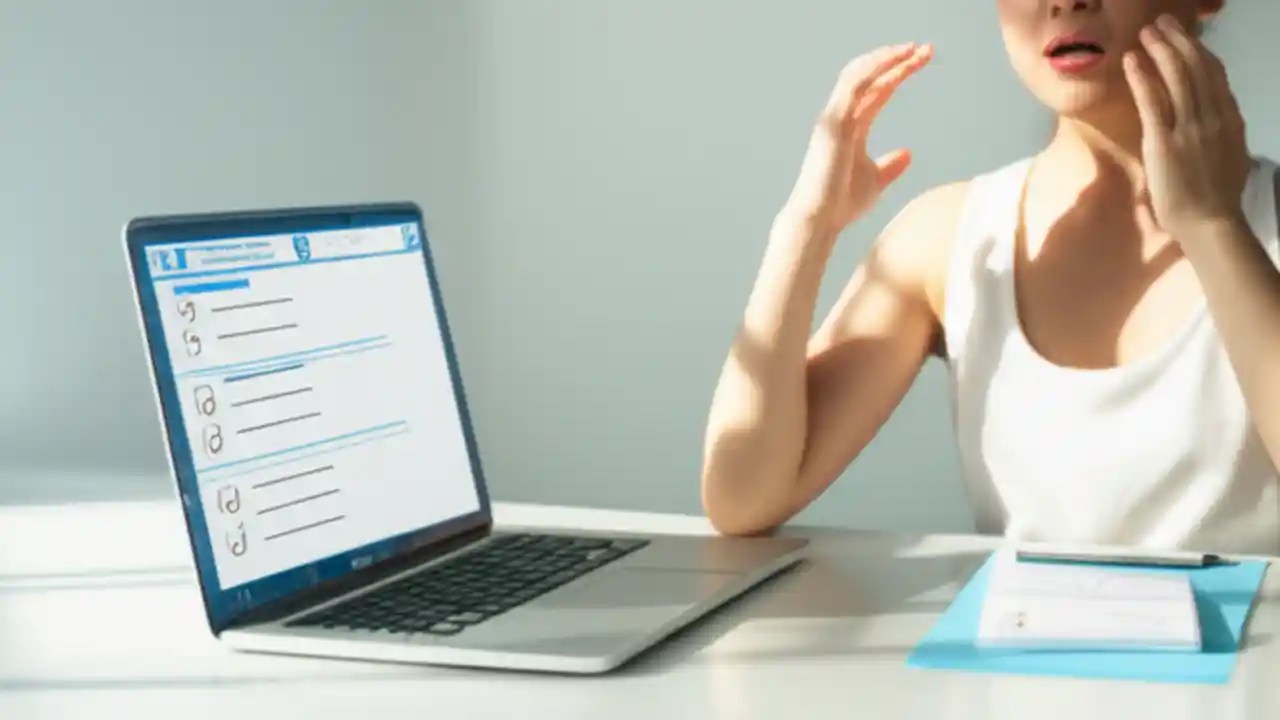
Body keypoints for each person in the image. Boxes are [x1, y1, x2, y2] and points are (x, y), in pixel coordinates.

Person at [701, 0, 1280, 555]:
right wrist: (806, 225)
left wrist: (1211, 226)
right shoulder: (950, 235)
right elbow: (743, 496)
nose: (1065, 2)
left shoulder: (1266, 217)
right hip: (1017, 655)